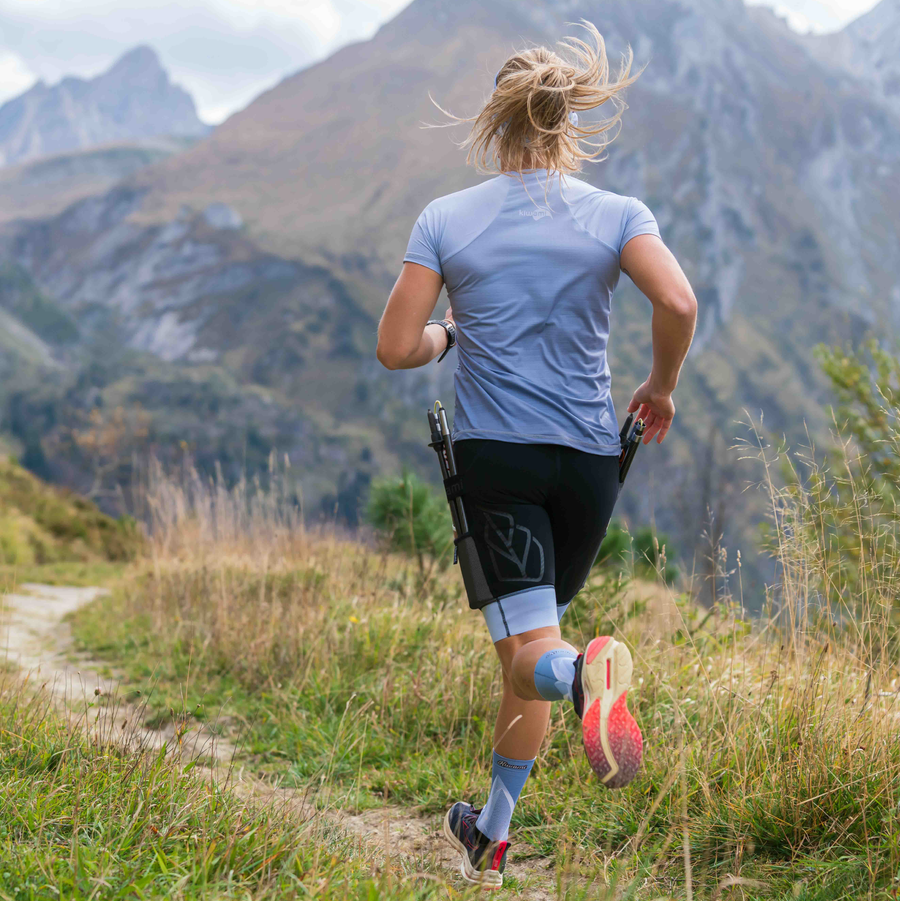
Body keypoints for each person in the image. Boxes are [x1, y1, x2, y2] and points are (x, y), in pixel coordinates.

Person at [376, 20, 697, 890]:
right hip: (591, 465)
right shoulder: (618, 214)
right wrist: (661, 385)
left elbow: (397, 346)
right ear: (567, 121)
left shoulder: (447, 217)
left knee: (534, 658)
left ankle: (590, 676)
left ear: (496, 117)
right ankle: (493, 830)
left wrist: (451, 333)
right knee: (526, 647)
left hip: (499, 464)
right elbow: (677, 297)